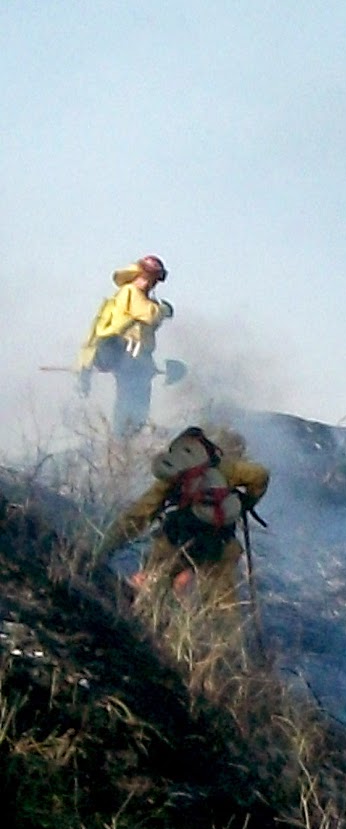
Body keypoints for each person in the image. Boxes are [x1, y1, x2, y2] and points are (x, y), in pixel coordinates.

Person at [98, 425, 270, 615]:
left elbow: (139, 515)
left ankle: (144, 625)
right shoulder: (228, 468)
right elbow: (260, 475)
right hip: (218, 546)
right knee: (223, 606)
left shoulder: (175, 473)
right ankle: (223, 642)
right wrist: (247, 501)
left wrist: (105, 548)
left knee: (152, 589)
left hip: (175, 542)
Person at [75, 255, 175, 435]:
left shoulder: (135, 296)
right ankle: (125, 432)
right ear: (141, 276)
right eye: (150, 280)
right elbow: (149, 315)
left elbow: (147, 325)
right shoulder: (131, 292)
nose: (151, 285)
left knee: (137, 390)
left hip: (131, 354)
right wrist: (163, 310)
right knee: (132, 391)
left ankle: (131, 428)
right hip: (124, 352)